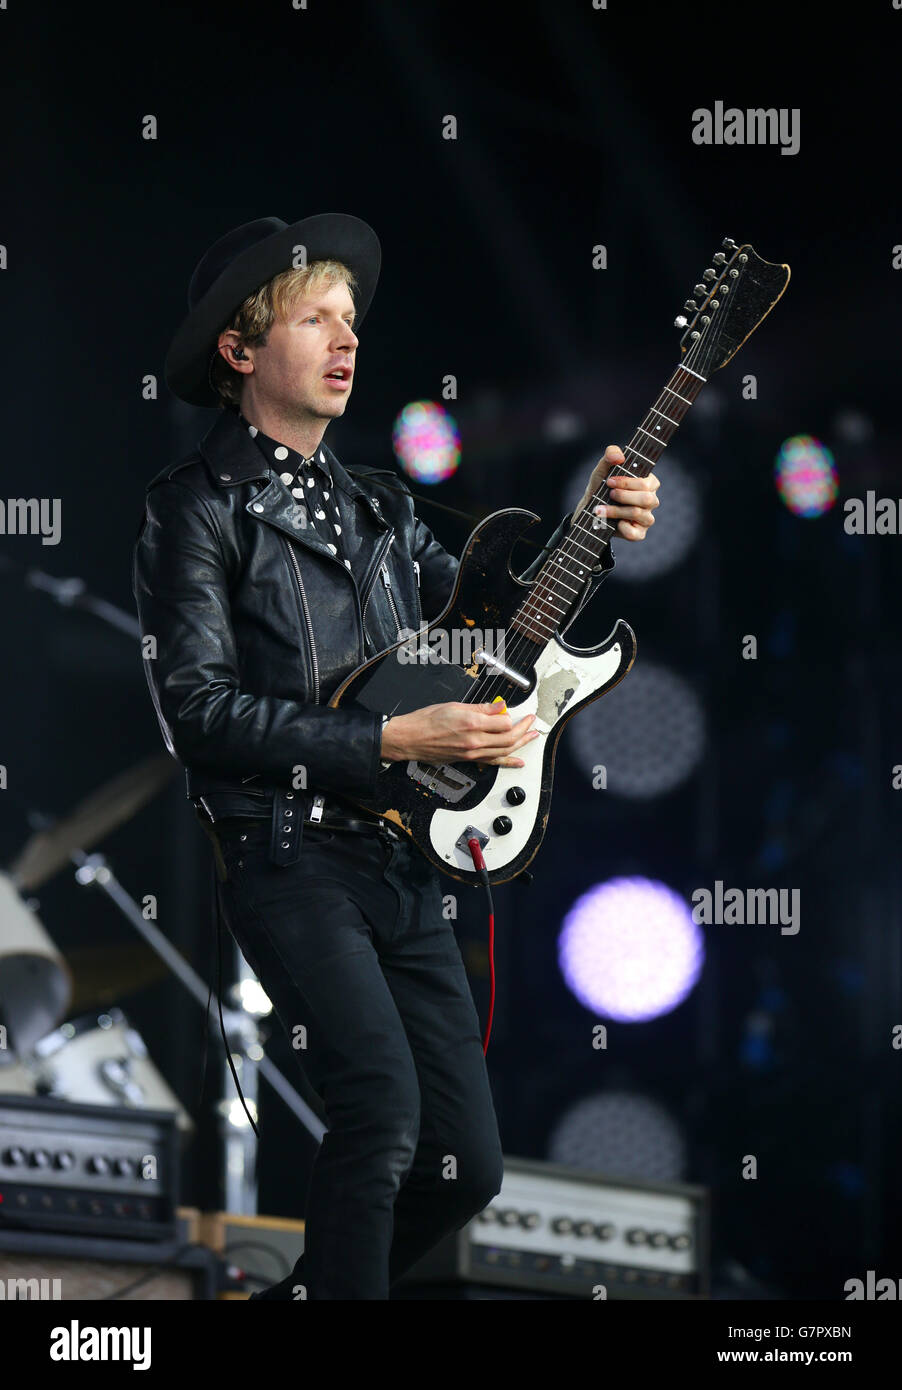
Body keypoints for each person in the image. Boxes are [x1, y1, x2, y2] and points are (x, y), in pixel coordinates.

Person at [132, 213, 660, 1300]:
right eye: (314, 315)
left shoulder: (378, 505)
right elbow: (197, 712)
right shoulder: (192, 509)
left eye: (352, 319)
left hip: (403, 864)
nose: (348, 336)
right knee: (378, 1110)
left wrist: (596, 524)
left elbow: (499, 622)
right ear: (240, 351)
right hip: (288, 858)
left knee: (466, 1167)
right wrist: (383, 738)